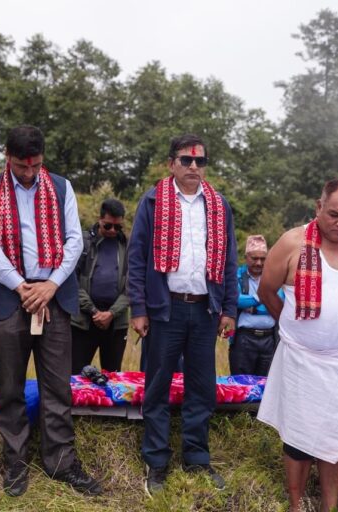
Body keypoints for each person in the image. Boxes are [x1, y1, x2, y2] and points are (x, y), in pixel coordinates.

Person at [0, 125, 101, 497]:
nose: (29, 173)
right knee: (10, 387)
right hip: (9, 298)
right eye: (21, 166)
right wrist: (21, 286)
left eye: (35, 165)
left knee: (57, 387)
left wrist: (51, 285)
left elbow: (75, 241)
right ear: (7, 156)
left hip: (54, 298)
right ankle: (15, 463)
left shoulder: (61, 187)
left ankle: (61, 462)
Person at [256, 179, 338, 512]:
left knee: (337, 439)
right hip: (301, 359)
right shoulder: (292, 243)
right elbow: (266, 290)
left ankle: (329, 506)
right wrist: (292, 325)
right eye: (334, 214)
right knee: (297, 437)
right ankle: (296, 505)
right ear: (318, 207)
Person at [128, 134, 238, 496]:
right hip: (166, 308)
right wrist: (139, 308)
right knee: (157, 386)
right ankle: (156, 462)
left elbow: (230, 260)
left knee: (201, 388)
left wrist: (229, 308)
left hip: (205, 309)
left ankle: (197, 458)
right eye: (186, 160)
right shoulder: (153, 200)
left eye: (200, 161)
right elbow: (137, 257)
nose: (193, 167)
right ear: (171, 164)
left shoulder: (219, 205)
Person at [71, 198, 129, 374]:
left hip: (116, 323)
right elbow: (72, 279)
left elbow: (133, 285)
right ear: (99, 219)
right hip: (83, 321)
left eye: (117, 227)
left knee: (113, 377)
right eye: (108, 226)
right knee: (75, 374)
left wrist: (111, 313)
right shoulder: (83, 242)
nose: (112, 231)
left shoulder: (128, 246)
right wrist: (94, 311)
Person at [229, 234, 282, 376]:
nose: (259, 263)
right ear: (246, 257)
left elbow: (279, 302)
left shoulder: (273, 276)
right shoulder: (237, 276)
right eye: (254, 258)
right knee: (241, 383)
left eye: (263, 259)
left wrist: (252, 309)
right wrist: (262, 297)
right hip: (244, 339)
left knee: (266, 385)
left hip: (269, 340)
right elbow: (235, 299)